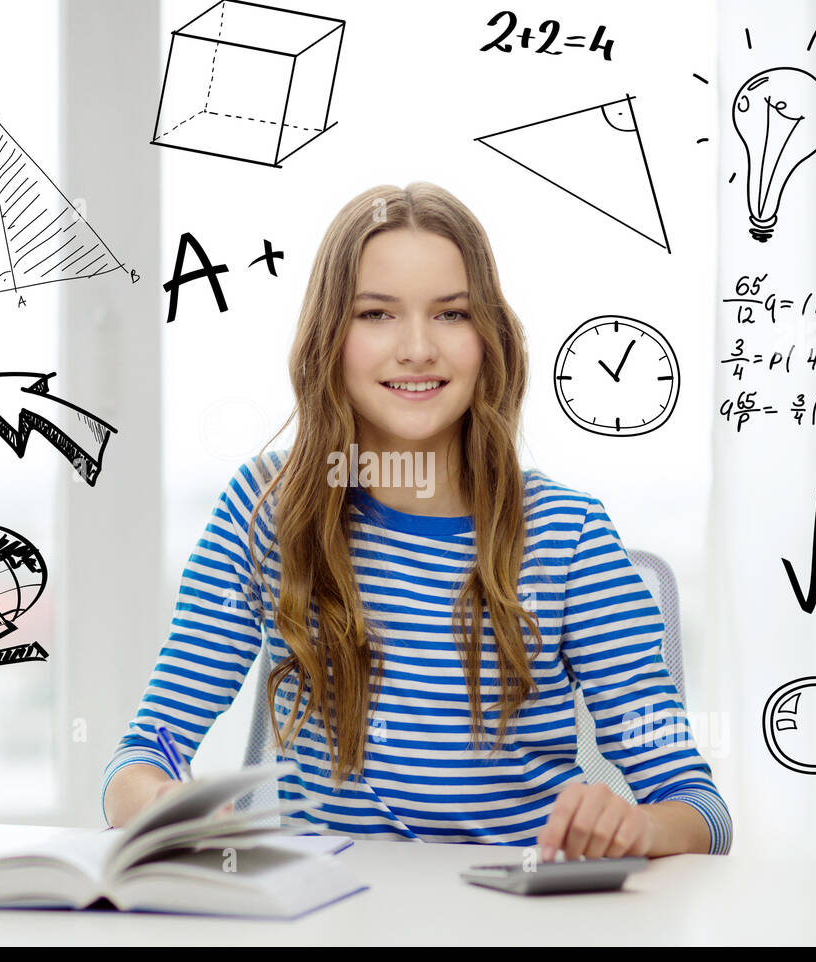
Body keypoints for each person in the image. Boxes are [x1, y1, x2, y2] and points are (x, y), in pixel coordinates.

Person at [102, 182, 732, 860]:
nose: (417, 348)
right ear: (330, 337)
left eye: (452, 315)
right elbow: (141, 755)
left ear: (488, 338)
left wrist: (636, 827)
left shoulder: (567, 534)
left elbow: (699, 808)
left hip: (518, 917)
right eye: (376, 314)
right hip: (334, 916)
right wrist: (160, 803)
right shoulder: (265, 511)